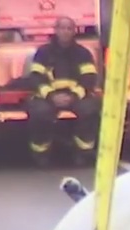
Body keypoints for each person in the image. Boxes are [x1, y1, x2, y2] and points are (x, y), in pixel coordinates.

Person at [25, 16, 100, 165]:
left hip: (75, 96)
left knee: (90, 109)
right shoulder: (43, 52)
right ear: (56, 30)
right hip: (49, 97)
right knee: (39, 112)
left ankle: (83, 153)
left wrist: (73, 96)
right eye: (62, 28)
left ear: (74, 32)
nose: (65, 32)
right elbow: (35, 78)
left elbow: (89, 78)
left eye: (69, 28)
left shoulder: (83, 53)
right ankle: (41, 154)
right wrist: (51, 96)